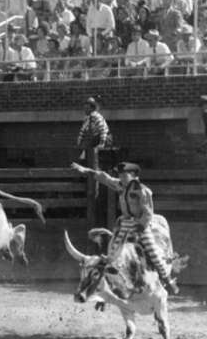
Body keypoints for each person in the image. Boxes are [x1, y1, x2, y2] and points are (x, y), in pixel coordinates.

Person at [70, 160, 179, 293]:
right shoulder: (120, 185)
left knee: (153, 252)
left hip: (140, 224)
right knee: (113, 252)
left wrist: (141, 227)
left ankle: (167, 279)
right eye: (120, 175)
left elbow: (148, 212)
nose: (121, 177)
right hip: (125, 223)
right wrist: (86, 170)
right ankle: (109, 284)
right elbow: (104, 177)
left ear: (133, 175)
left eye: (124, 175)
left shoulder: (142, 190)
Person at [76, 98, 111, 163]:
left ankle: (92, 164)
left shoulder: (96, 116)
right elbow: (83, 130)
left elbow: (103, 130)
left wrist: (102, 143)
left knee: (91, 150)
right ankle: (84, 161)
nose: (85, 110)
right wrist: (79, 140)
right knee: (87, 147)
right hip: (96, 138)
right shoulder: (88, 117)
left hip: (104, 138)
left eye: (87, 109)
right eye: (84, 108)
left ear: (92, 109)